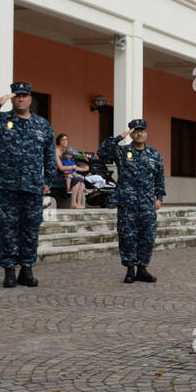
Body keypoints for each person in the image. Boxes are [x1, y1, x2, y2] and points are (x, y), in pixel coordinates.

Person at [0, 81, 59, 288]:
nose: (21, 99)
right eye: (17, 95)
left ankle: (27, 269)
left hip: (33, 186)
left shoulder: (42, 125)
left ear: (30, 99)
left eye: (24, 95)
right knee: (7, 229)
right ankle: (9, 271)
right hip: (6, 185)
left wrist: (48, 180)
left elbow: (49, 155)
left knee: (30, 229)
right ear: (12, 98)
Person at [98, 118, 165, 283]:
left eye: (142, 130)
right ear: (131, 133)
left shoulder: (154, 154)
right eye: (135, 131)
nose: (139, 133)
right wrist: (121, 137)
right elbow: (102, 151)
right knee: (127, 236)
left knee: (147, 236)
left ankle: (142, 268)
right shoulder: (121, 152)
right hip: (127, 202)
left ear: (146, 133)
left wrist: (159, 197)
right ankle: (129, 269)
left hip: (147, 203)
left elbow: (159, 177)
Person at [56, 134, 89, 209]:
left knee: (82, 181)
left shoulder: (69, 150)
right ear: (59, 141)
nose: (65, 141)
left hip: (69, 173)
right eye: (63, 139)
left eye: (66, 139)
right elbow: (61, 168)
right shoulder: (56, 151)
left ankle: (78, 203)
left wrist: (85, 164)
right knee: (77, 179)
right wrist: (72, 167)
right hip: (60, 174)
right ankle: (73, 203)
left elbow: (79, 156)